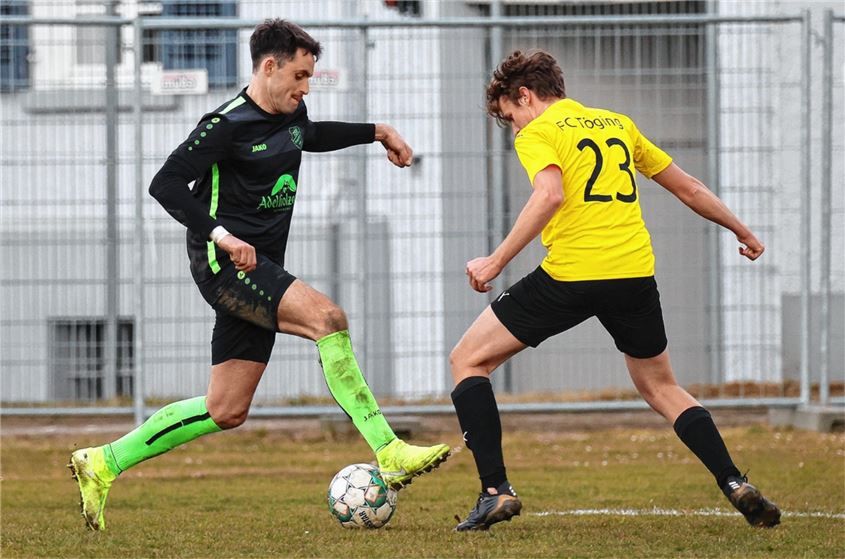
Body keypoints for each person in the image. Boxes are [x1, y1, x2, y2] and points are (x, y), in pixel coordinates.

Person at [68, 19, 450, 532]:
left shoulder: (293, 114)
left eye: (310, 77)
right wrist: (222, 235)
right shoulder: (225, 124)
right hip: (224, 265)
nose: (305, 87)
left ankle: (103, 462)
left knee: (226, 408)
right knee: (328, 319)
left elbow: (309, 135)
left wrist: (378, 132)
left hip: (260, 268)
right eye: (299, 75)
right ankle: (389, 449)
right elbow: (166, 183)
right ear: (269, 67)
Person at [449, 49, 781, 531]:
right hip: (633, 274)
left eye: (510, 116)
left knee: (467, 359)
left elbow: (550, 194)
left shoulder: (539, 132)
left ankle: (495, 491)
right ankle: (733, 481)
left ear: (525, 95)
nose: (514, 127)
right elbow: (687, 187)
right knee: (662, 387)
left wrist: (495, 260)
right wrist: (742, 231)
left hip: (572, 275)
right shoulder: (616, 124)